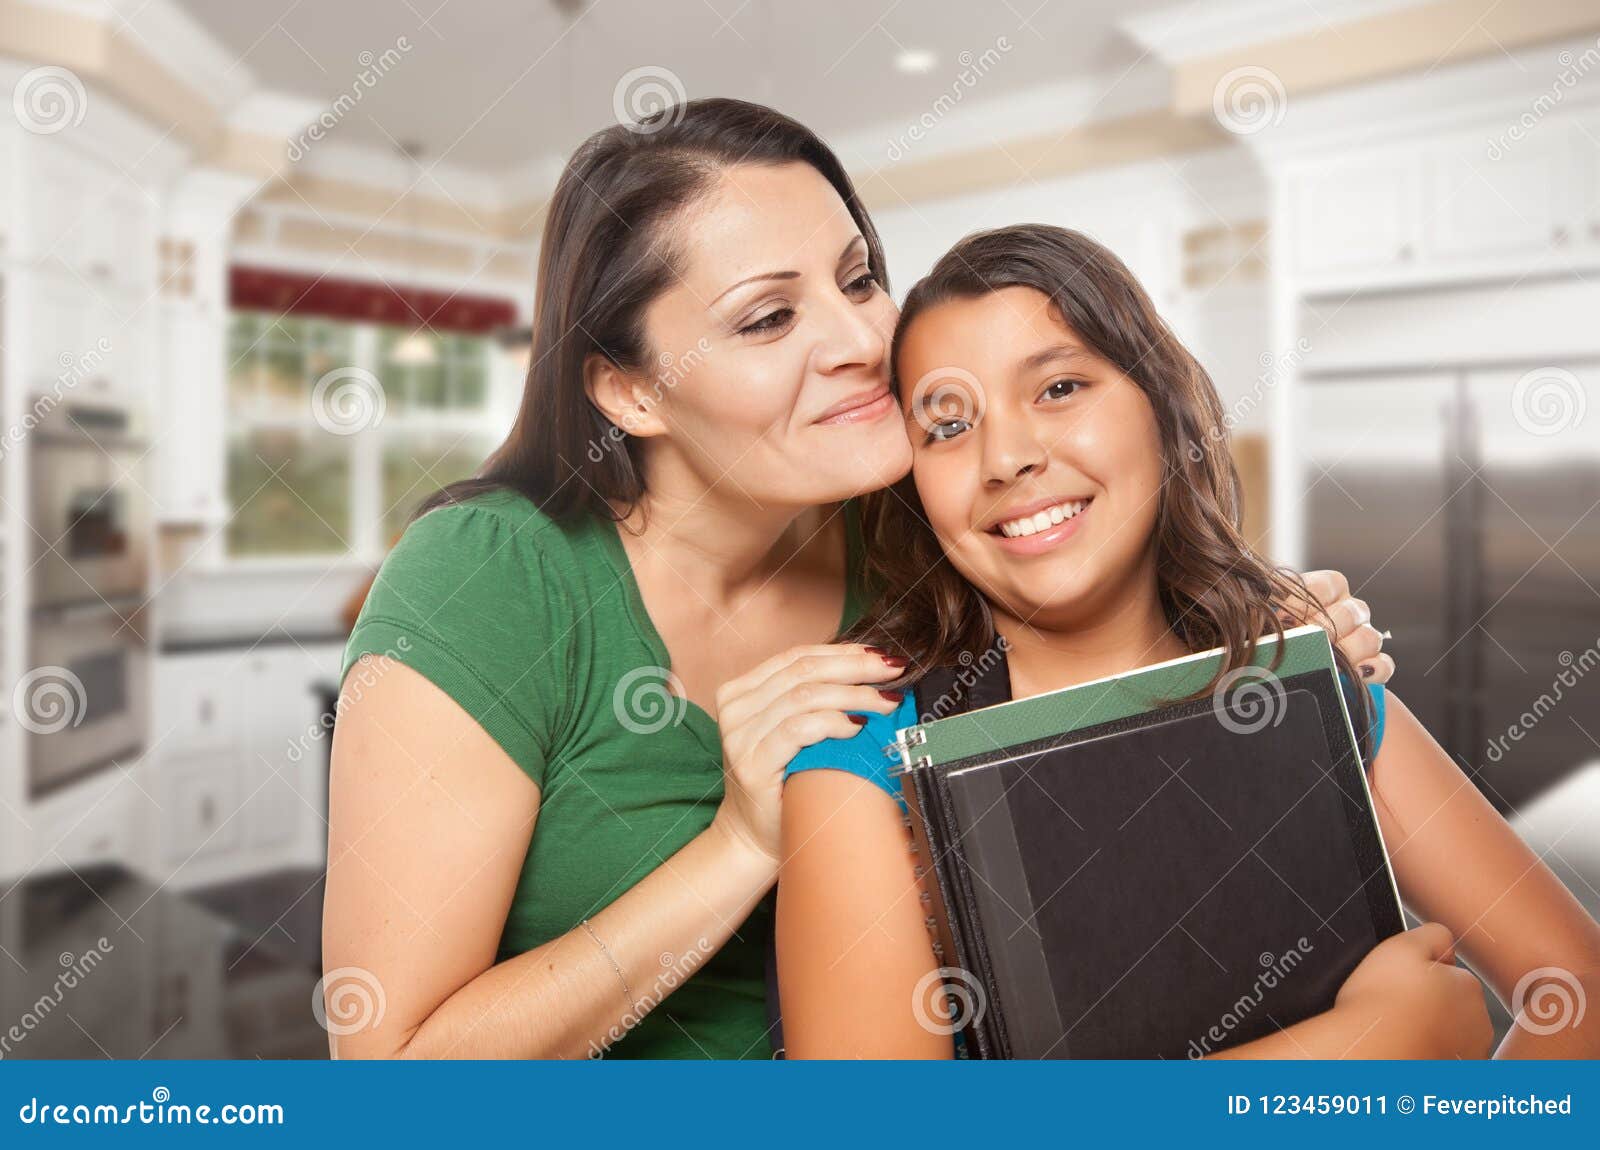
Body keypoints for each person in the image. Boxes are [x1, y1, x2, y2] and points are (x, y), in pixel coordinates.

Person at [323, 101, 1390, 1059]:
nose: (861, 341)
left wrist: (1259, 634)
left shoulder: (914, 532)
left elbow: (1109, 687)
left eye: (857, 278)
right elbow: (391, 1082)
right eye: (767, 318)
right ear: (629, 390)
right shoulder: (494, 575)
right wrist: (737, 844)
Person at [777, 224, 1600, 1059]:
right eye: (947, 427)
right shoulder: (862, 763)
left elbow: (1576, 986)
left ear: (1161, 410)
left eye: (1059, 388)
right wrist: (1360, 1052)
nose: (1008, 457)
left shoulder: (1308, 681)